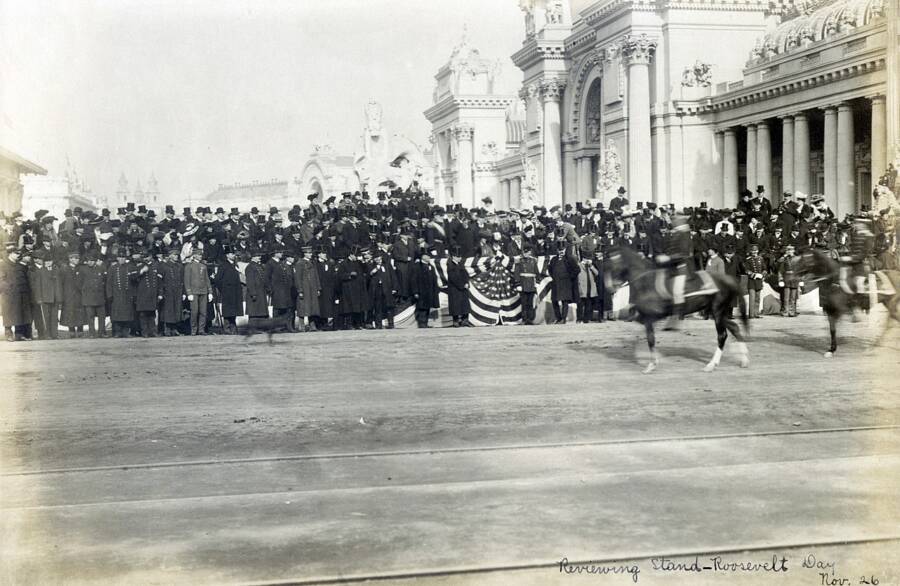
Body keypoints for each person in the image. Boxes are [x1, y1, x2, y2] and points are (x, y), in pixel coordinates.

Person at [212, 246, 244, 334]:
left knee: (234, 310)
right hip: (227, 291)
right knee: (228, 310)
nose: (233, 255)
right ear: (227, 255)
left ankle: (233, 326)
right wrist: (223, 289)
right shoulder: (223, 265)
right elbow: (218, 279)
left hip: (235, 291)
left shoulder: (235, 265)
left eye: (234, 254)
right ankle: (227, 327)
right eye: (231, 254)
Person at [106, 248, 136, 338]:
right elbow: (109, 283)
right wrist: (110, 295)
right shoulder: (113, 268)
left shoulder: (129, 267)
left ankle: (126, 332)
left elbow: (134, 282)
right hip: (117, 295)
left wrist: (133, 294)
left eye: (123, 257)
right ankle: (117, 332)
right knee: (117, 314)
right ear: (117, 258)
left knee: (127, 314)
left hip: (127, 295)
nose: (122, 259)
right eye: (120, 257)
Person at [183, 248, 212, 335]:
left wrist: (210, 292)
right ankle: (193, 330)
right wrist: (189, 293)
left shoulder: (204, 266)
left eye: (201, 255)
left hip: (203, 291)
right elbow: (186, 281)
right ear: (194, 255)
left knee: (203, 312)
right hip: (194, 292)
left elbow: (207, 280)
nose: (200, 256)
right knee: (194, 311)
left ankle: (201, 329)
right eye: (199, 255)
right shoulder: (189, 266)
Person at [548, 242, 578, 324]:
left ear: (565, 249)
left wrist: (569, 277)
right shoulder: (554, 259)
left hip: (565, 283)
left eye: (562, 250)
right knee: (554, 301)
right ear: (557, 250)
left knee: (565, 301)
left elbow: (577, 270)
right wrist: (553, 276)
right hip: (556, 283)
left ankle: (563, 319)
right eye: (559, 250)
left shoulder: (570, 258)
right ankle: (558, 318)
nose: (561, 251)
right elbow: (550, 269)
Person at [80, 251, 109, 337]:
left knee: (102, 316)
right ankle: (91, 333)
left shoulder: (101, 269)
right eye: (88, 260)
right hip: (88, 297)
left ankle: (102, 332)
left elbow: (104, 280)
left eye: (92, 260)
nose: (90, 262)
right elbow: (79, 283)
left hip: (99, 297)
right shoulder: (83, 270)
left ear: (95, 261)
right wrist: (85, 290)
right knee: (90, 317)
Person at [59, 250, 86, 338]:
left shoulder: (81, 269)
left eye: (78, 258)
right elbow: (61, 283)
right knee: (69, 312)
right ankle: (71, 330)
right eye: (75, 258)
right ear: (70, 259)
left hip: (79, 294)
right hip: (68, 295)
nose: (77, 260)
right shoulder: (64, 270)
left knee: (80, 312)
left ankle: (80, 329)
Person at [159, 248, 185, 336]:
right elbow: (160, 281)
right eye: (174, 255)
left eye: (177, 255)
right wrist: (161, 293)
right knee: (168, 311)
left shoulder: (179, 266)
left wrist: (183, 292)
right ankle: (167, 329)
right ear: (169, 256)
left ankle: (174, 329)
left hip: (177, 291)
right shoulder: (164, 266)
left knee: (177, 310)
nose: (176, 256)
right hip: (168, 291)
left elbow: (182, 280)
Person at [410, 249, 439, 328]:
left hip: (429, 291)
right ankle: (421, 323)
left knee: (428, 307)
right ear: (422, 257)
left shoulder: (431, 266)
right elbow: (413, 280)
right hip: (421, 291)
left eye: (429, 256)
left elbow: (434, 279)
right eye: (427, 256)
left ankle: (425, 323)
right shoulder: (417, 266)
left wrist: (435, 290)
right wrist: (415, 291)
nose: (429, 257)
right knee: (421, 307)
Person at [513, 245, 541, 325]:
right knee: (524, 303)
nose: (526, 254)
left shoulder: (533, 261)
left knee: (530, 303)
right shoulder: (519, 261)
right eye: (524, 252)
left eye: (527, 252)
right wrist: (518, 284)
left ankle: (530, 319)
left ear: (530, 252)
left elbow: (537, 273)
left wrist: (538, 283)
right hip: (523, 284)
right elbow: (516, 273)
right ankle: (524, 319)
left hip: (531, 284)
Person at [446, 247, 472, 327]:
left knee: (465, 305)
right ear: (454, 257)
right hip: (455, 289)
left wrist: (467, 282)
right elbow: (453, 277)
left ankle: (465, 320)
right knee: (455, 305)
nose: (460, 258)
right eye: (458, 256)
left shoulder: (461, 265)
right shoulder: (450, 265)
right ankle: (456, 320)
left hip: (463, 288)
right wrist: (462, 285)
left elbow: (466, 275)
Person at [742, 243, 767, 319]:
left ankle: (756, 313)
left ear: (758, 251)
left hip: (759, 281)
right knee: (752, 298)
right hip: (752, 281)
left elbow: (765, 269)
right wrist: (754, 275)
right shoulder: (748, 260)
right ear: (751, 251)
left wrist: (762, 275)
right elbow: (746, 270)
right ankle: (751, 314)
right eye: (753, 251)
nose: (754, 252)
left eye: (755, 251)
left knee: (757, 298)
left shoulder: (761, 259)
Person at [778, 244, 802, 317]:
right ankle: (786, 311)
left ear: (793, 251)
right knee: (786, 297)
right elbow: (780, 270)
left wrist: (800, 279)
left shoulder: (797, 259)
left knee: (793, 297)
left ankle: (792, 312)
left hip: (794, 278)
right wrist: (780, 279)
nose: (789, 252)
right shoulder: (784, 259)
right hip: (786, 278)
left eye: (791, 250)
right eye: (788, 250)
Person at [576, 256, 600, 323]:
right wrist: (582, 263)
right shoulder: (579, 265)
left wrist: (591, 266)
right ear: (583, 259)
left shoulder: (591, 266)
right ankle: (579, 319)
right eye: (585, 259)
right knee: (580, 305)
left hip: (590, 288)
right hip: (582, 288)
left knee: (588, 305)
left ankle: (586, 319)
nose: (587, 260)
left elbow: (597, 273)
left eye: (588, 259)